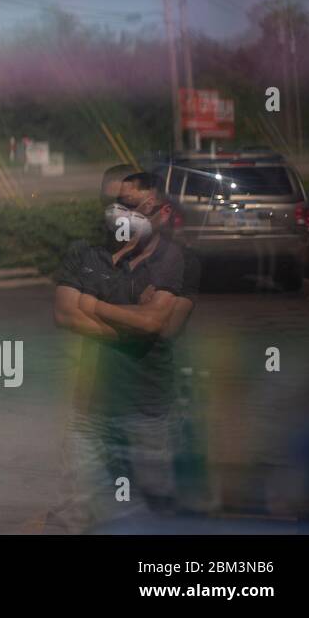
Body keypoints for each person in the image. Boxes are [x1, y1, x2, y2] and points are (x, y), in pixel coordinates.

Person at [46, 170, 198, 532]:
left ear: (159, 211)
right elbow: (65, 313)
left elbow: (155, 324)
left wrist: (94, 306)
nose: (116, 213)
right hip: (89, 410)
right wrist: (129, 327)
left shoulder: (177, 261)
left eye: (128, 205)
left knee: (151, 513)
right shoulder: (84, 254)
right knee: (74, 514)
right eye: (112, 204)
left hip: (146, 412)